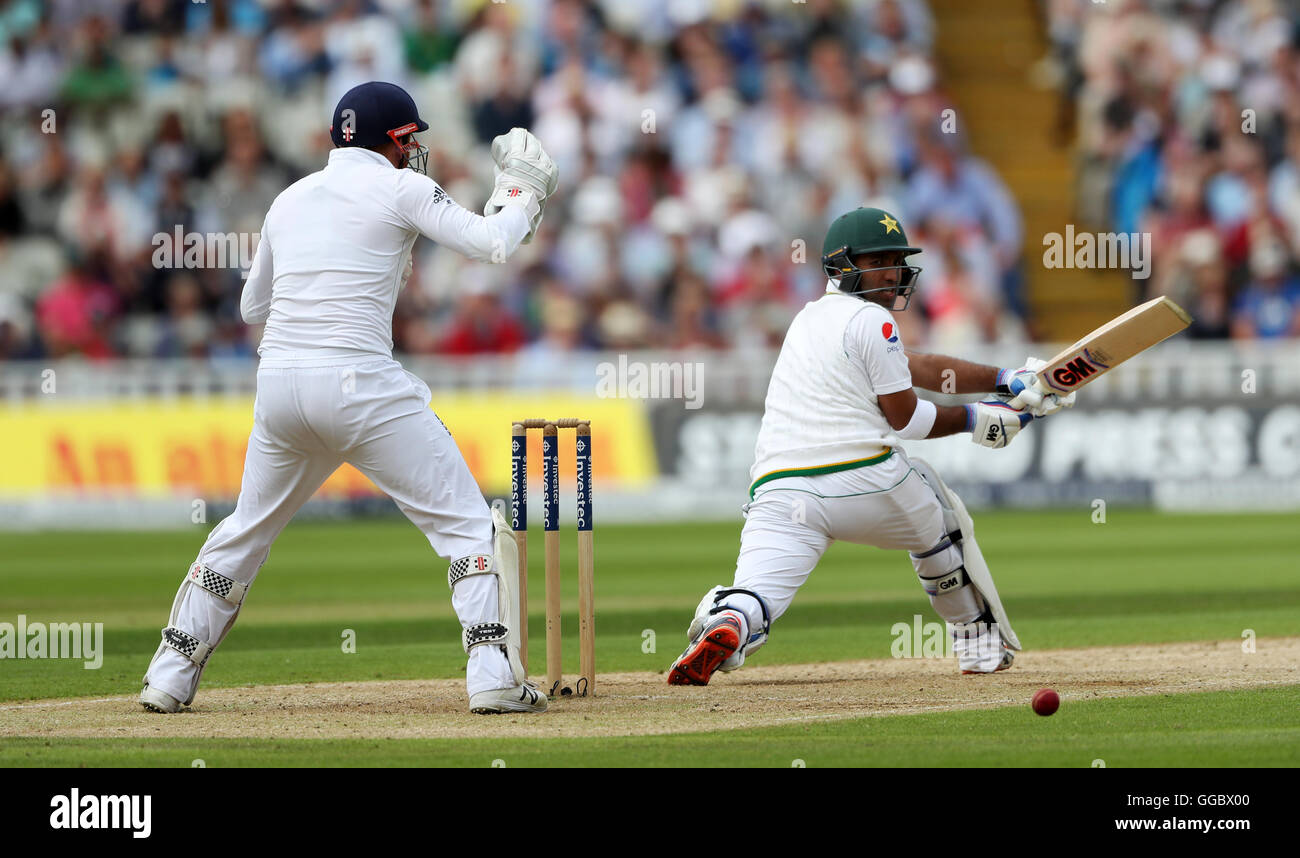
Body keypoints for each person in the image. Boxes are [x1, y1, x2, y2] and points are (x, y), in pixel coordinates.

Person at [139, 81, 558, 715]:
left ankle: (169, 676)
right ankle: (493, 676)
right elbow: (494, 243)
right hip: (361, 387)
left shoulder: (289, 197)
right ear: (393, 139)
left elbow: (254, 306)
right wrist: (523, 192)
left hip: (280, 390)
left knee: (245, 530)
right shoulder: (402, 188)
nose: (415, 149)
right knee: (467, 525)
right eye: (411, 138)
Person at [667, 207, 1073, 685]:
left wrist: (1005, 378)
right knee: (937, 512)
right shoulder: (871, 322)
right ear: (843, 265)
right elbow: (910, 421)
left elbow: (915, 366)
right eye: (877, 260)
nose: (892, 272)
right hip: (866, 481)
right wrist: (981, 418)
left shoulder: (809, 320)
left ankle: (730, 620)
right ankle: (979, 645)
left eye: (896, 260)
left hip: (779, 492)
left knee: (755, 595)